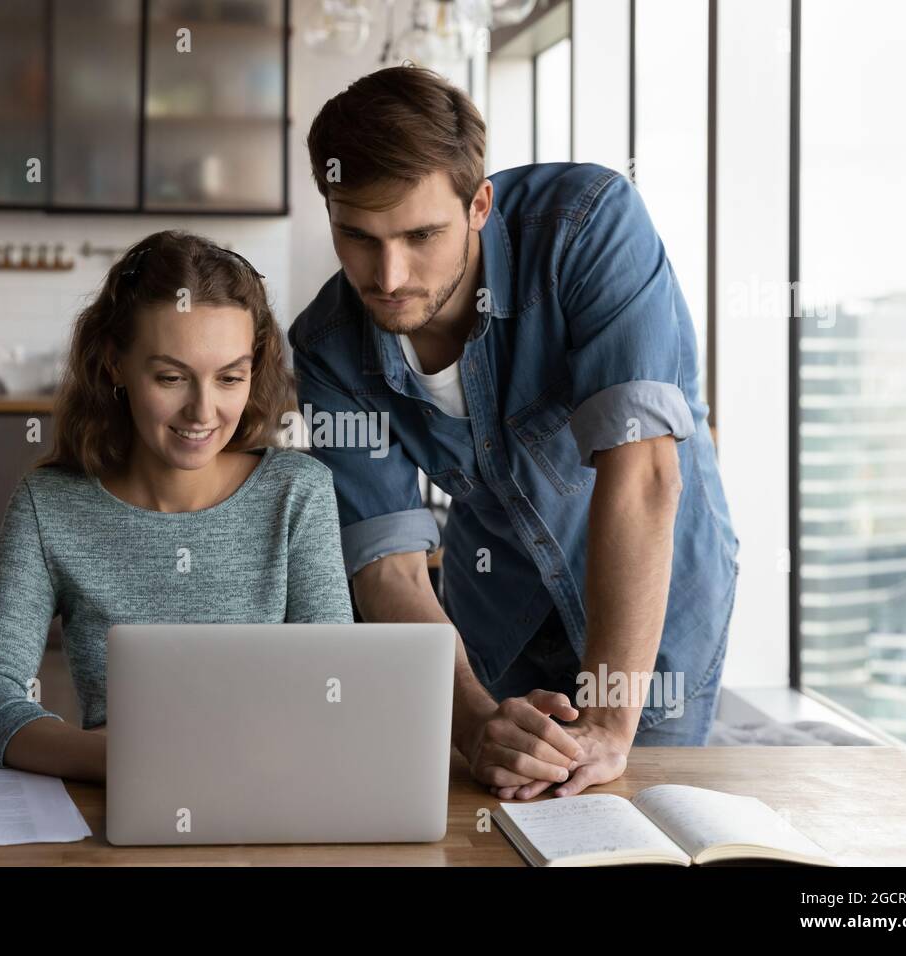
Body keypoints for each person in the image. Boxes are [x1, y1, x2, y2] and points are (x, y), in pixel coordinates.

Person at [289, 67, 740, 801]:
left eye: (420, 234)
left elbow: (643, 475)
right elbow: (388, 567)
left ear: (479, 205)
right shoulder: (328, 346)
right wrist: (472, 725)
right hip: (497, 615)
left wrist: (608, 720)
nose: (388, 275)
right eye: (357, 237)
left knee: (633, 817)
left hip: (652, 608)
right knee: (498, 815)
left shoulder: (589, 227)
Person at [0, 230, 354, 782]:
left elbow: (333, 691)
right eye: (171, 377)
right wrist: (115, 761)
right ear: (115, 364)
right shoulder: (50, 507)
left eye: (230, 378)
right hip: (118, 805)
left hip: (271, 799)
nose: (203, 411)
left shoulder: (298, 494)